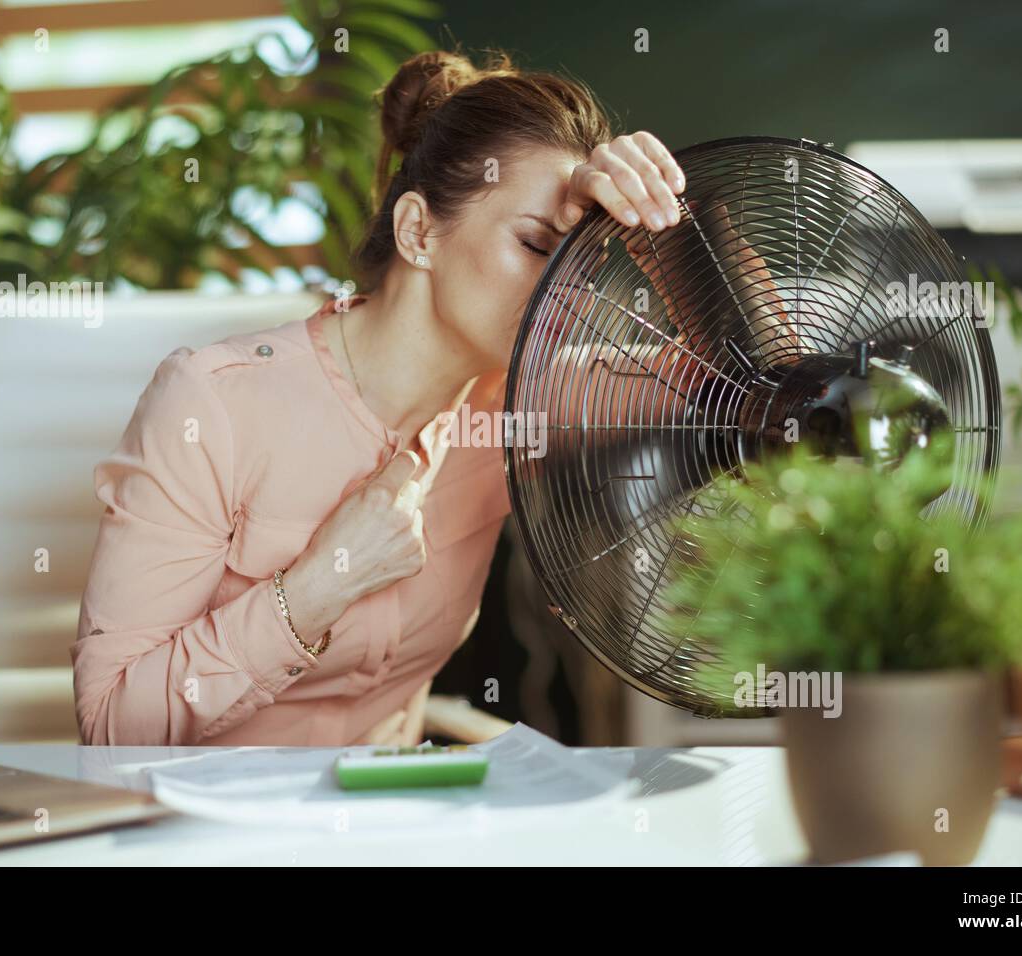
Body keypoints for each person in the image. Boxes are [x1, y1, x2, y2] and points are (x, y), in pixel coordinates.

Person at [71, 49, 695, 746]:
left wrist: (668, 233)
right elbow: (110, 728)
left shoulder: (521, 399)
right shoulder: (211, 405)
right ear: (418, 231)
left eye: (581, 260)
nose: (566, 292)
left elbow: (757, 389)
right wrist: (313, 590)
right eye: (536, 244)